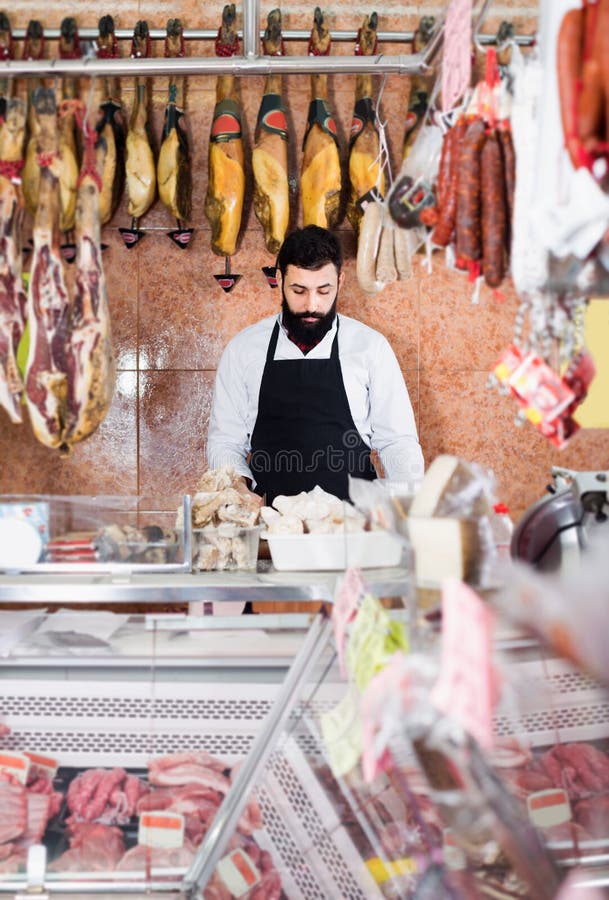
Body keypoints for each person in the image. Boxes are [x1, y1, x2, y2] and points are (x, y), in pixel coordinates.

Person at [207, 225, 424, 504]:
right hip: (272, 527)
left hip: (354, 526)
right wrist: (236, 491)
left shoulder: (370, 347)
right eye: (299, 290)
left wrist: (410, 504)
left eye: (324, 290)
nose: (312, 304)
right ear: (279, 279)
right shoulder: (243, 350)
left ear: (340, 282)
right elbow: (225, 442)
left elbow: (398, 442)